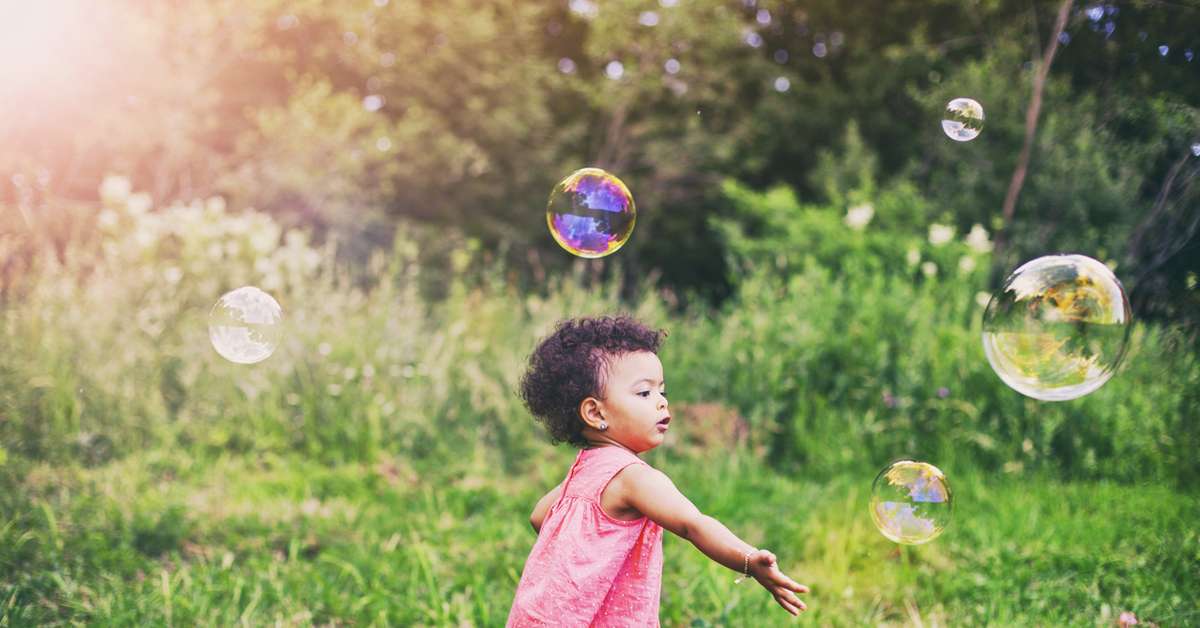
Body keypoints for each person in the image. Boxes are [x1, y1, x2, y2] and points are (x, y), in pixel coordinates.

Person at [507, 315, 809, 626]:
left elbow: (539, 516)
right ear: (595, 412)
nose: (661, 403)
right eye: (644, 393)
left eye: (662, 391)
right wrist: (749, 560)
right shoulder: (634, 478)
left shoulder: (582, 472)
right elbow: (694, 525)